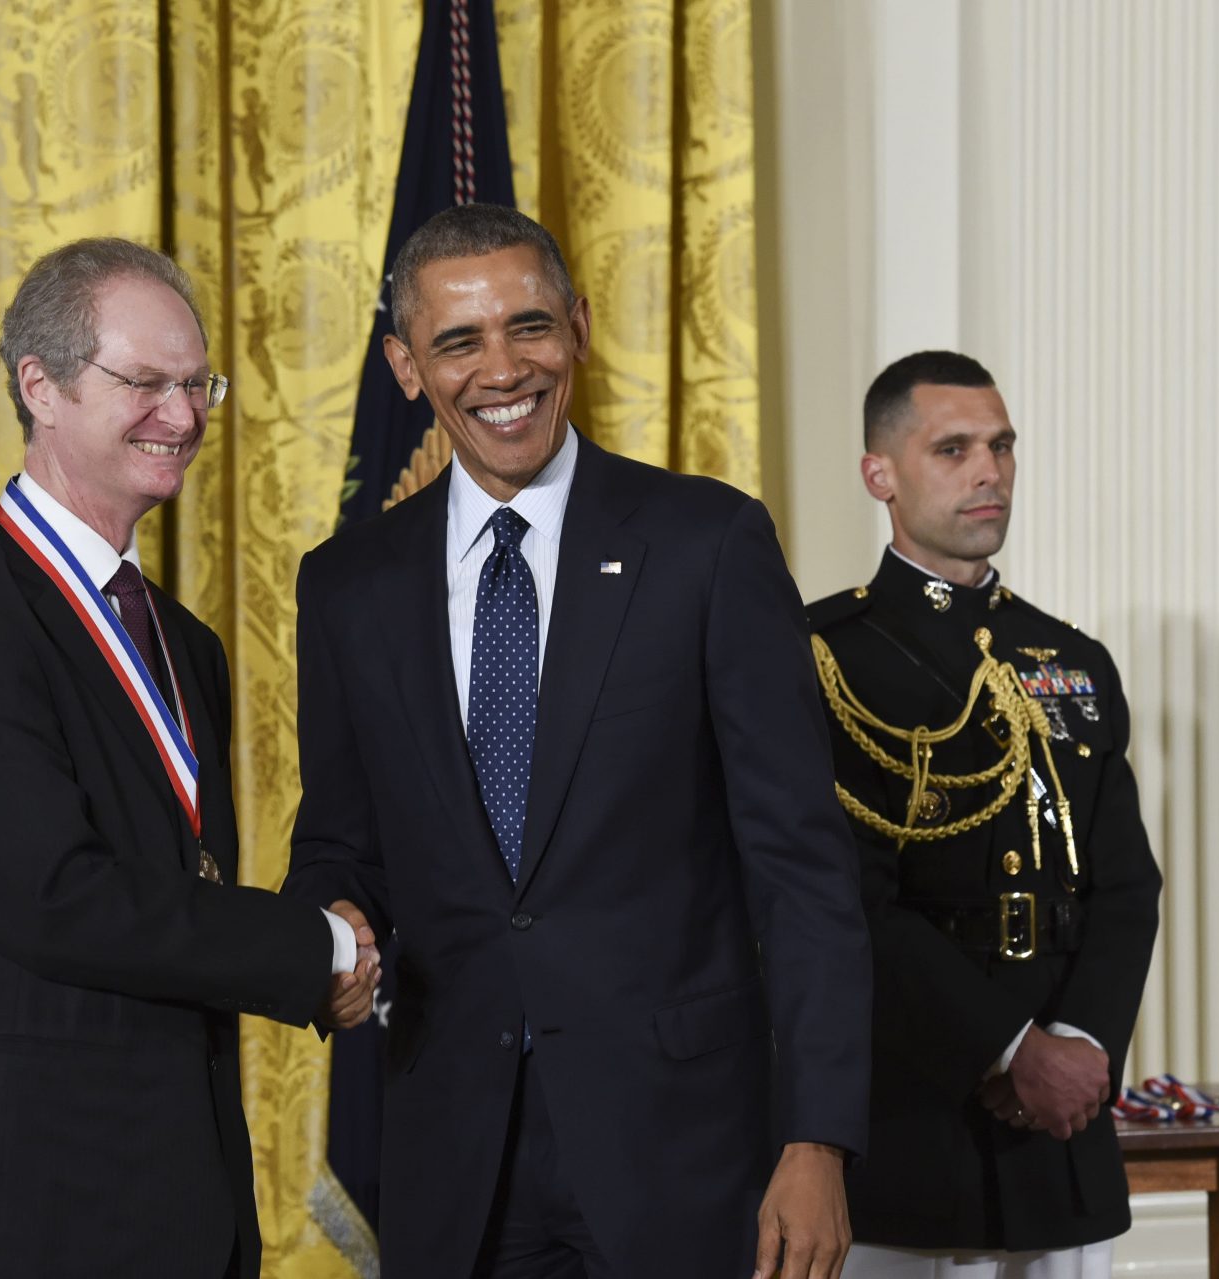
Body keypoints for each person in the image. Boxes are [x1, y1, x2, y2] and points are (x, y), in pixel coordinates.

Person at [280, 203, 872, 1278]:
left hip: (683, 1156)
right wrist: (332, 921)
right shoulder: (347, 585)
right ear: (406, 367)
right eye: (458, 341)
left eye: (530, 326)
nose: (503, 367)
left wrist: (817, 1137)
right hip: (453, 1157)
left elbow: (803, 867)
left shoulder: (706, 542)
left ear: (582, 329)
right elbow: (338, 837)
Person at [0, 238, 378, 1279]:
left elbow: (186, 895)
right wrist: (315, 948)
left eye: (197, 384)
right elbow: (60, 900)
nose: (181, 418)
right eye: (143, 382)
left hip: (181, 1206)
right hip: (15, 1216)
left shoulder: (188, 646)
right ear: (39, 386)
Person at [806, 351, 1161, 1278]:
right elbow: (847, 904)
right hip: (907, 1130)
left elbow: (1126, 884)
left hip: (1059, 1140)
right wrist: (1007, 1050)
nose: (989, 471)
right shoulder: (819, 657)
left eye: (1001, 447)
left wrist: (1080, 1046)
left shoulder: (1071, 659)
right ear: (879, 474)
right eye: (953, 448)